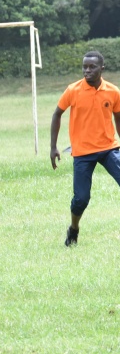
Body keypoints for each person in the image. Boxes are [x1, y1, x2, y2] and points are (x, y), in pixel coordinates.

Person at [49, 51, 120, 247]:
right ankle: (74, 228)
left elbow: (118, 118)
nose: (87, 70)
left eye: (92, 67)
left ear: (101, 69)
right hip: (82, 152)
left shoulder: (113, 91)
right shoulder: (73, 90)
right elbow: (57, 115)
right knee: (81, 199)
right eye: (85, 67)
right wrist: (53, 147)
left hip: (109, 148)